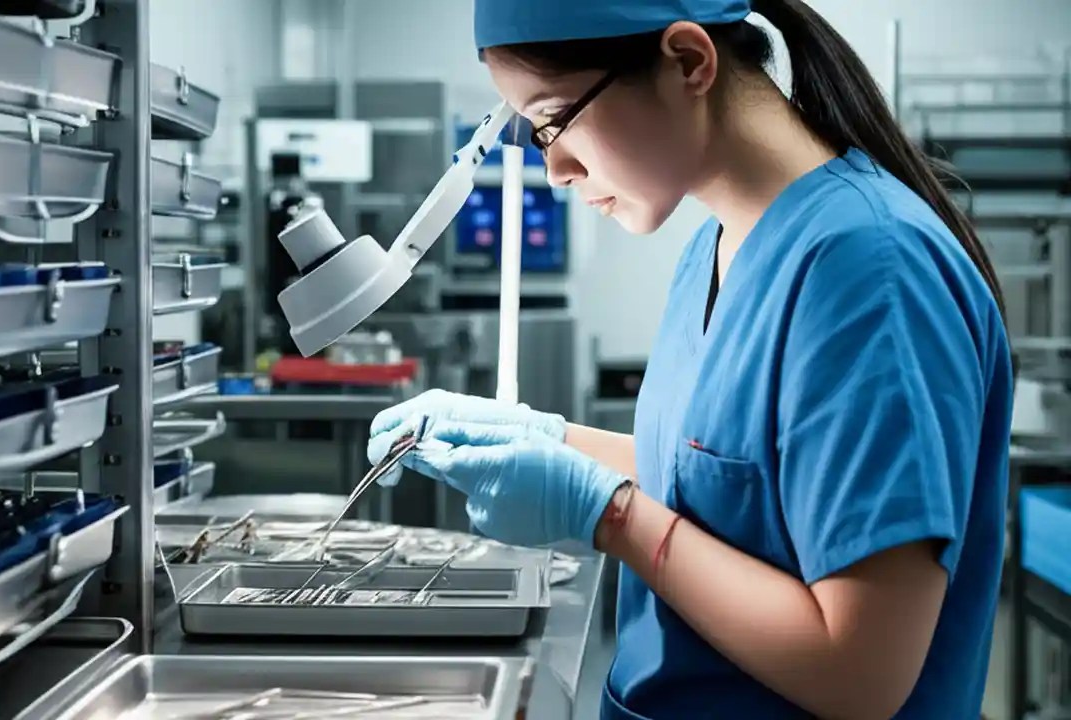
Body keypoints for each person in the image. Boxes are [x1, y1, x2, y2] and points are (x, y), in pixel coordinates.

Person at [367, 0, 1014, 718]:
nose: (554, 169)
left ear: (688, 62)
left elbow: (860, 671)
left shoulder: (868, 271)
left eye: (554, 120)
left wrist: (608, 516)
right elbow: (725, 487)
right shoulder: (714, 248)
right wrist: (548, 441)